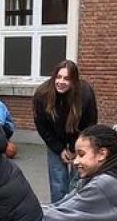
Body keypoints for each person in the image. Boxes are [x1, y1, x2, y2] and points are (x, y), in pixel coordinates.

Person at [33, 60, 99, 202]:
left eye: (66, 78)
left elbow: (90, 123)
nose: (61, 82)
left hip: (81, 140)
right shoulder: (42, 95)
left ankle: (76, 212)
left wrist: (78, 148)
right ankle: (58, 215)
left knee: (78, 181)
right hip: (55, 140)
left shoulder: (85, 93)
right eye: (58, 77)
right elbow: (42, 126)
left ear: (74, 81)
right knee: (58, 182)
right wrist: (59, 149)